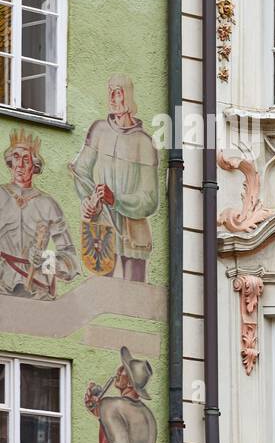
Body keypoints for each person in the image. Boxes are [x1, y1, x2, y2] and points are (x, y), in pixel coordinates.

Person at [70, 74, 159, 281]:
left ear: (127, 96)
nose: (111, 98)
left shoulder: (144, 142)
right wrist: (88, 200)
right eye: (109, 92)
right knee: (100, 293)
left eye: (117, 92)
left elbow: (150, 199)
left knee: (132, 298)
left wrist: (116, 199)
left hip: (134, 234)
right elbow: (80, 171)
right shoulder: (99, 130)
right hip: (101, 227)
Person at [0, 129, 77, 298]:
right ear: (9, 162)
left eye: (25, 159)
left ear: (34, 166)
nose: (19, 165)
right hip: (2, 286)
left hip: (37, 290)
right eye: (15, 157)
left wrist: (45, 259)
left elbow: (71, 263)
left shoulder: (48, 204)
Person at [86, 346, 157, 443]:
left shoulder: (111, 406)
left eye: (124, 369)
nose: (118, 370)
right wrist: (95, 407)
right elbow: (123, 423)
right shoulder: (148, 415)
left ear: (131, 383)